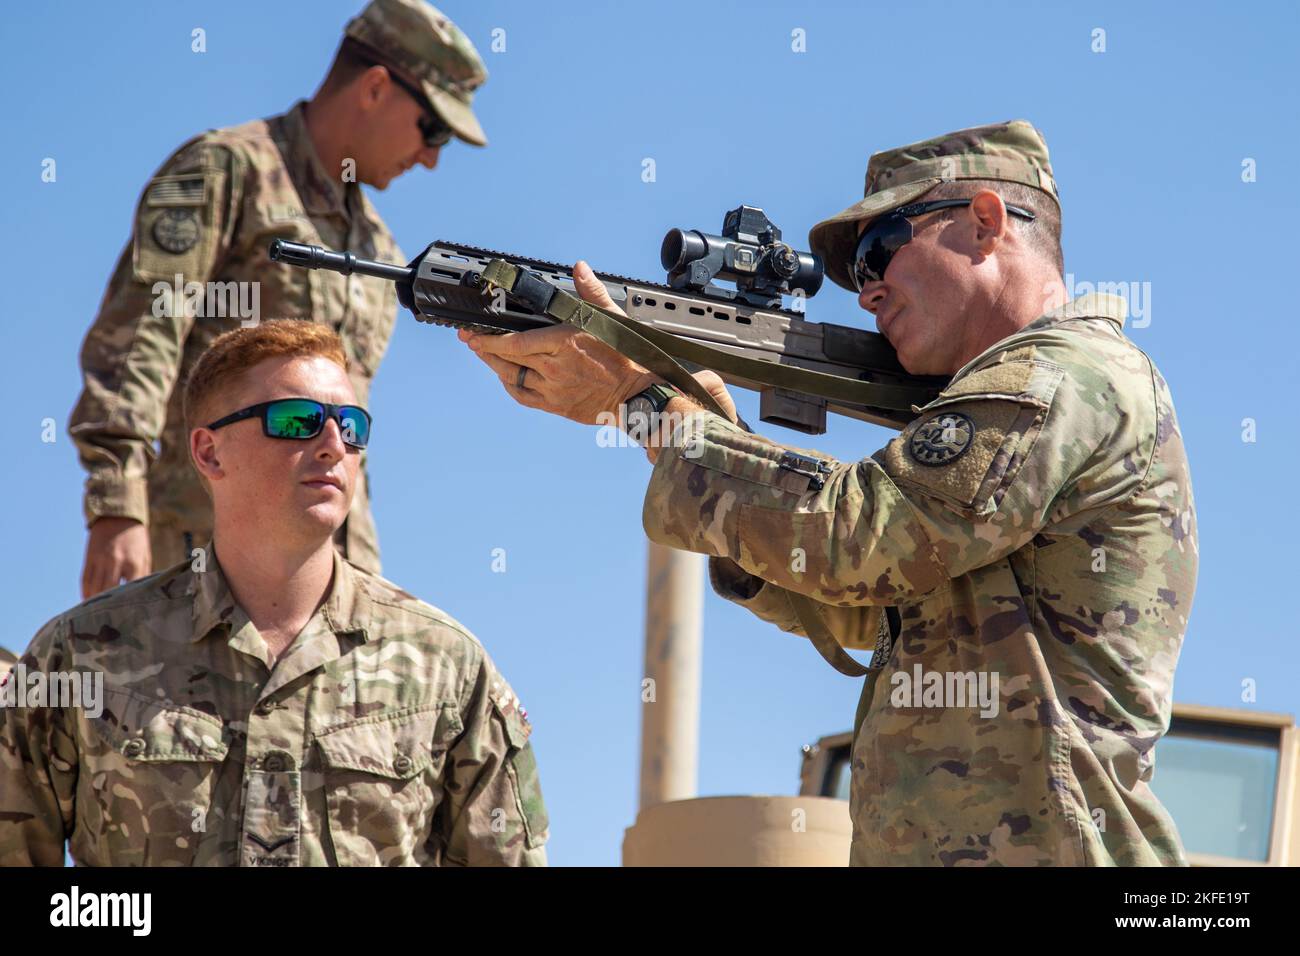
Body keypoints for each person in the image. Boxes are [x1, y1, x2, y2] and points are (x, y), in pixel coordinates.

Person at [457, 120, 1197, 866]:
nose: (868, 290)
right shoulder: (1024, 394)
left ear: (985, 222)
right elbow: (873, 607)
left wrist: (650, 407)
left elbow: (857, 542)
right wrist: (706, 437)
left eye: (880, 251)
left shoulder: (1064, 375)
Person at [2, 321, 547, 866]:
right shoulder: (77, 656)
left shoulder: (447, 668)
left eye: (351, 426)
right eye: (298, 421)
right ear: (210, 452)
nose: (334, 445)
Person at [72, 0, 489, 598]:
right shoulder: (223, 171)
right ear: (376, 86)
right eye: (434, 129)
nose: (430, 157)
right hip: (207, 549)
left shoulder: (376, 242)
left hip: (334, 573)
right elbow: (139, 339)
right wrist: (116, 504)